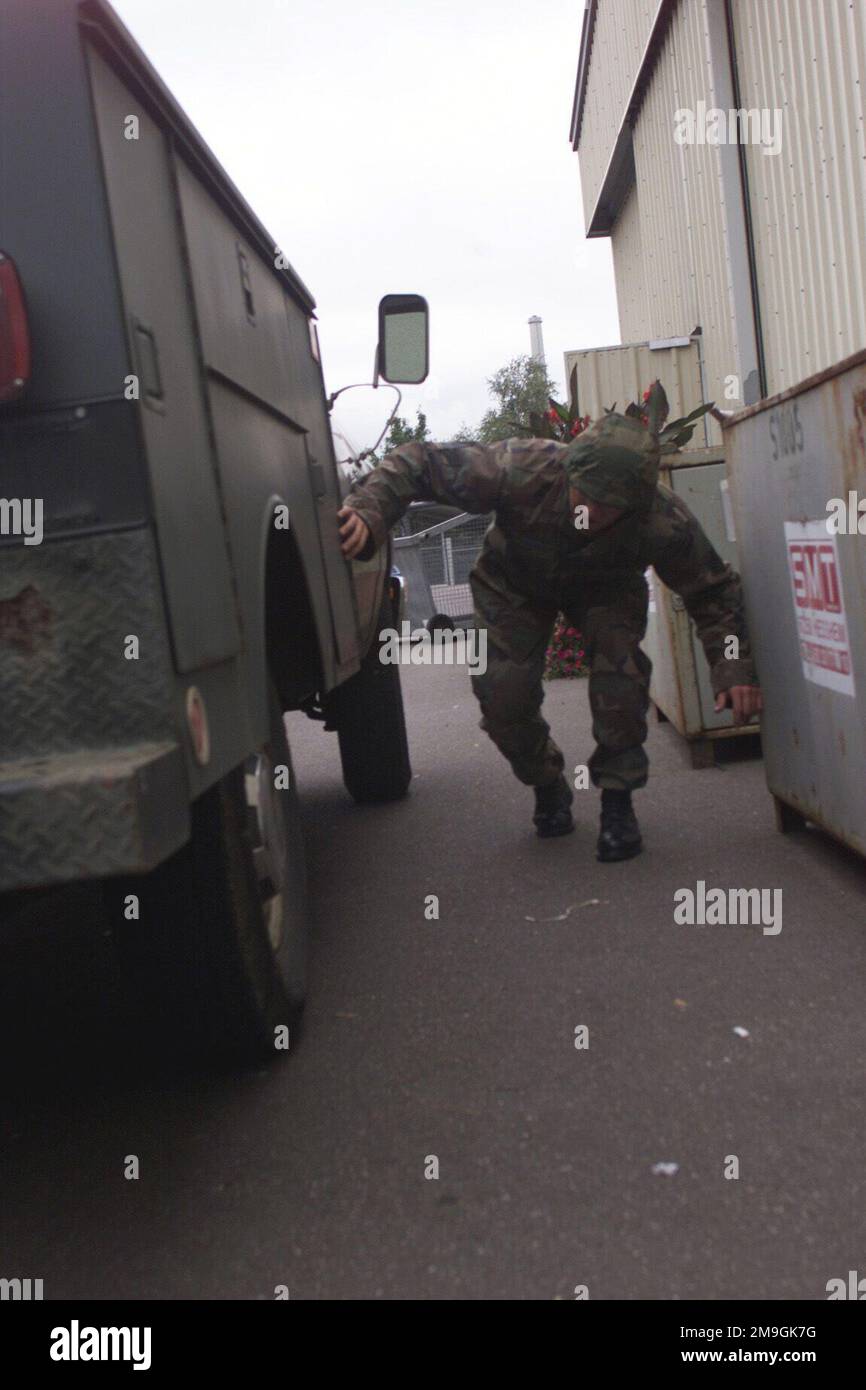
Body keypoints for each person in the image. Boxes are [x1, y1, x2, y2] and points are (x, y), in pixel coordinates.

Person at [337, 383, 762, 861]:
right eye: (586, 496)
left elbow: (712, 593)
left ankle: (618, 800)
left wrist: (733, 667)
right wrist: (369, 510)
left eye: (609, 506)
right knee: (502, 695)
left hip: (606, 588)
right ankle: (546, 783)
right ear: (571, 471)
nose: (592, 512)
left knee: (621, 678)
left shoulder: (663, 520)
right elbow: (418, 462)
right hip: (513, 583)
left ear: (637, 503)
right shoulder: (522, 468)